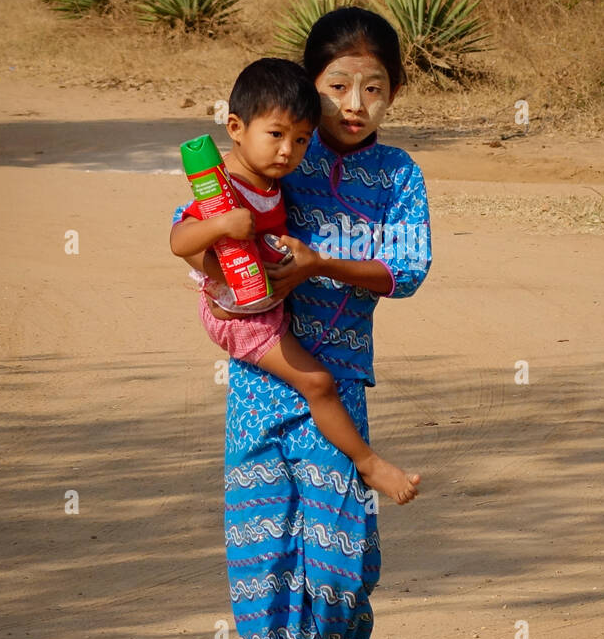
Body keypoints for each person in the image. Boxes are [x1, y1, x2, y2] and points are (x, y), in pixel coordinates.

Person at [171, 8, 432, 639]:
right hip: (256, 382)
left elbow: (406, 271)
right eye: (339, 86)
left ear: (395, 94)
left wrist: (320, 266)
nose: (355, 104)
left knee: (333, 558)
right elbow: (196, 225)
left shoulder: (398, 176)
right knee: (266, 562)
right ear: (310, 89)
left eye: (375, 88)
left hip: (336, 381)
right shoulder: (284, 146)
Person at [171, 57, 420, 505]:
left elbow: (408, 272)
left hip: (260, 305)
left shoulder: (270, 178)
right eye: (276, 135)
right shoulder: (224, 186)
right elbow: (179, 239)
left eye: (301, 139)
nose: (289, 151)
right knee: (318, 384)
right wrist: (224, 227)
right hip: (243, 318)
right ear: (234, 127)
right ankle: (368, 463)